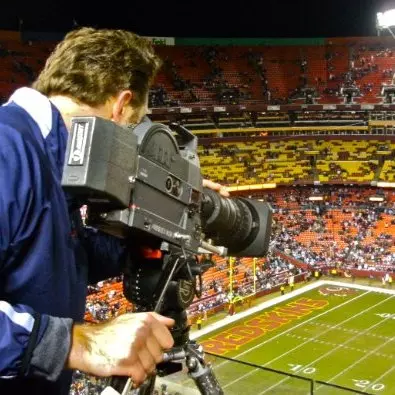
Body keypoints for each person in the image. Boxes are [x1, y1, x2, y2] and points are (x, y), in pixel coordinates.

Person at [0, 27, 228, 395]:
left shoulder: (52, 168)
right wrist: (79, 343)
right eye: (132, 129)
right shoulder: (8, 147)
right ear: (120, 106)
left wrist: (171, 215)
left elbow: (61, 257)